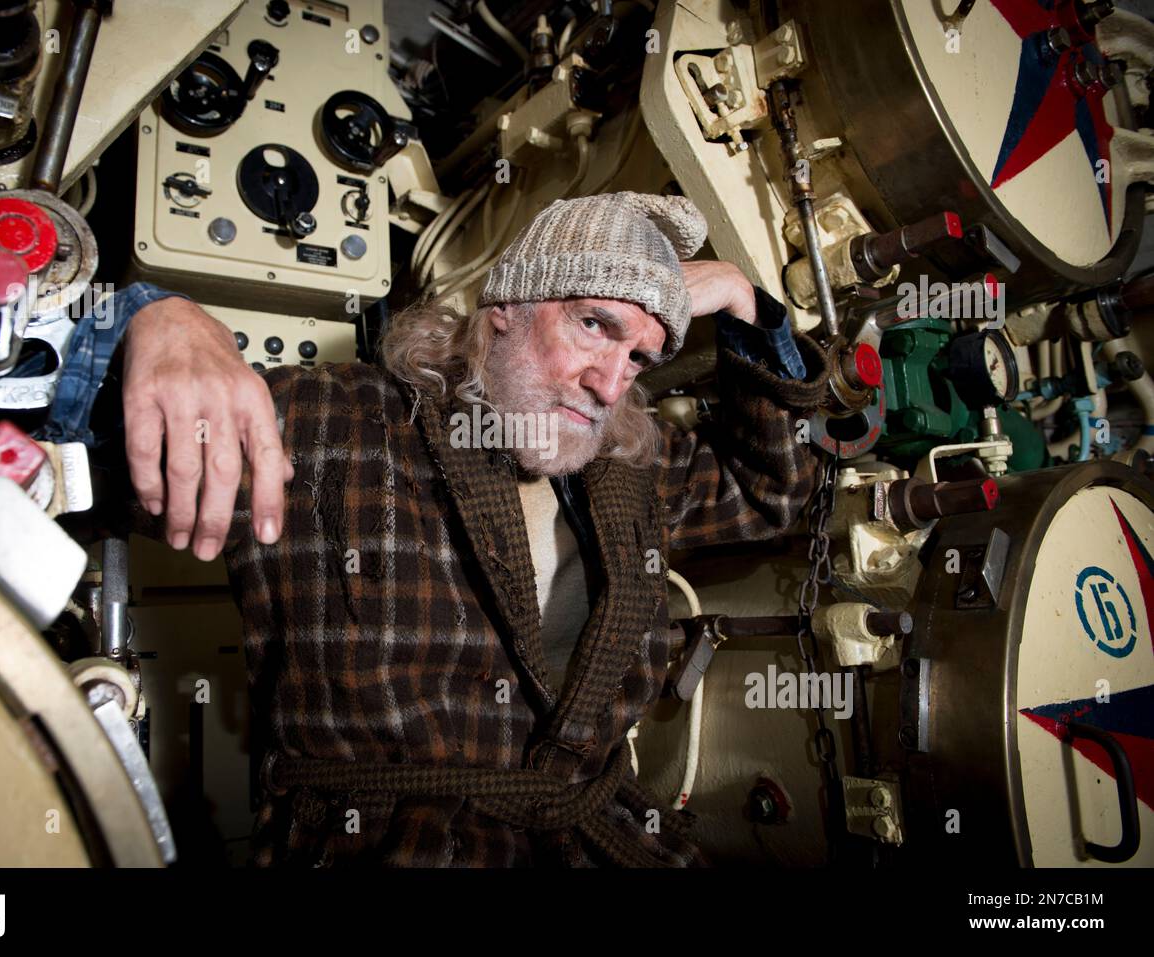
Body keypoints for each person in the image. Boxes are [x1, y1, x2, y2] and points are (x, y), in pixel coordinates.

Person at [112, 190, 829, 866]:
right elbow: (57, 450)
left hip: (603, 838)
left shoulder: (630, 468)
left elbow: (770, 490)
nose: (611, 384)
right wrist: (155, 318)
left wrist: (744, 298)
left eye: (637, 356)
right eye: (593, 324)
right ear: (505, 306)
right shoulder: (327, 424)